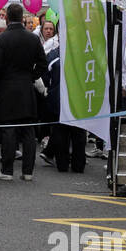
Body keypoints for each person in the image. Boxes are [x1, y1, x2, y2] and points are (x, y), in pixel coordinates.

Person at [0, 2, 47, 182]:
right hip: (25, 87)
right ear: (22, 18)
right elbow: (42, 64)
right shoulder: (32, 38)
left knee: (8, 130)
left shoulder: (1, 39)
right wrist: (31, 76)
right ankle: (28, 171)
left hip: (6, 89)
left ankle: (7, 170)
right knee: (28, 131)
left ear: (6, 18)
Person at [42, 28, 86, 173]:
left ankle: (63, 164)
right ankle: (78, 165)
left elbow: (45, 78)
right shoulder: (84, 55)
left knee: (61, 131)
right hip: (78, 99)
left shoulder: (54, 55)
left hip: (58, 99)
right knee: (78, 133)